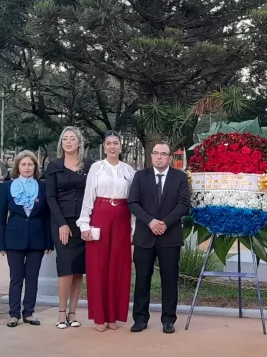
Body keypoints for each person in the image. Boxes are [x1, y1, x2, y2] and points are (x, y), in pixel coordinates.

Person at [129, 142, 192, 334]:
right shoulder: (140, 176)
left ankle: (168, 319)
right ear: (151, 156)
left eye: (163, 154)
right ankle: (140, 318)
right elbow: (133, 203)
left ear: (170, 158)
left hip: (169, 236)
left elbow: (184, 204)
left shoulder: (179, 177)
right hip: (144, 236)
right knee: (142, 279)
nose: (159, 157)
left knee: (170, 279)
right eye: (156, 153)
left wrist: (164, 223)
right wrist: (150, 222)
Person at [78, 131, 135, 332]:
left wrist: (133, 230)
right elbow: (88, 196)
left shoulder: (129, 171)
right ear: (104, 146)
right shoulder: (96, 168)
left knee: (118, 267)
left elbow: (134, 201)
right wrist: (84, 224)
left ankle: (114, 316)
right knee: (98, 266)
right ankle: (100, 317)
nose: (112, 147)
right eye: (109, 143)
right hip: (100, 216)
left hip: (122, 218)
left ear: (121, 146)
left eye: (115, 143)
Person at [44, 127, 96, 328]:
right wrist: (62, 224)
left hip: (83, 222)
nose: (68, 142)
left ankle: (73, 313)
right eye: (64, 138)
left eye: (72, 139)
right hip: (62, 222)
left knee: (78, 269)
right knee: (65, 267)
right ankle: (61, 312)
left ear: (79, 142)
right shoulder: (54, 166)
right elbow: (51, 197)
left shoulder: (90, 166)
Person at [0, 151, 54, 327]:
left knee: (32, 278)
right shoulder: (7, 187)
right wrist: (0, 243)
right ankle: (14, 314)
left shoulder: (42, 186)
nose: (27, 167)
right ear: (17, 167)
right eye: (23, 164)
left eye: (30, 164)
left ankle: (28, 313)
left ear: (35, 167)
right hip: (13, 237)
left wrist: (49, 241)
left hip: (37, 238)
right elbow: (0, 215)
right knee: (16, 278)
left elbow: (47, 216)